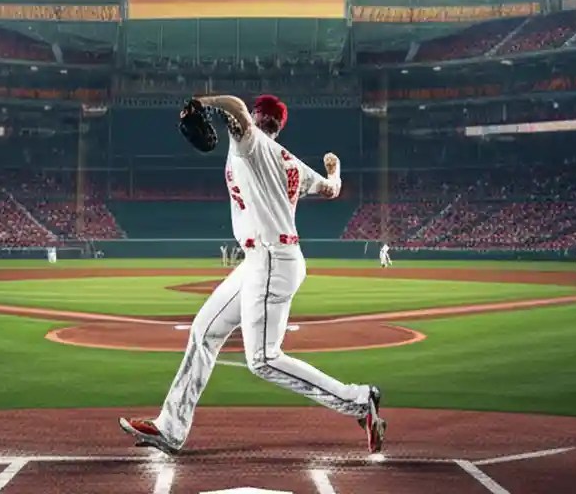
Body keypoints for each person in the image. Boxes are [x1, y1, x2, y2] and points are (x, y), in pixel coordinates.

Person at [119, 94, 384, 455]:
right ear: (280, 125)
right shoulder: (290, 162)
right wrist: (334, 168)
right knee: (204, 330)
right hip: (262, 260)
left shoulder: (251, 144)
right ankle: (171, 427)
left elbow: (236, 107)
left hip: (272, 260)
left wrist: (202, 100)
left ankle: (359, 400)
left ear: (259, 119)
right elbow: (331, 189)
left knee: (262, 359)